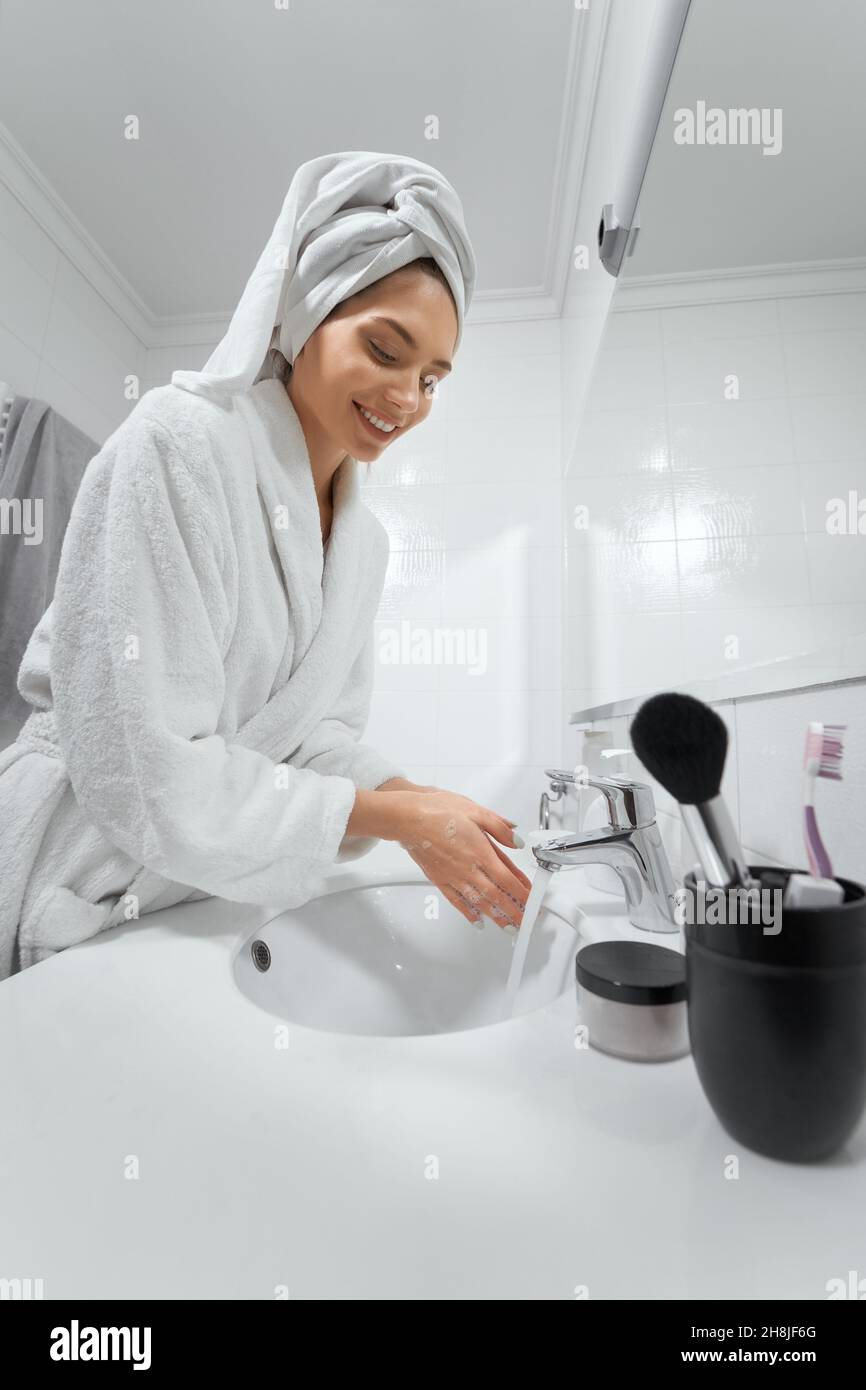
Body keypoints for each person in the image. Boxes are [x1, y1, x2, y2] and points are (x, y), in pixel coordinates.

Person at [0, 151, 530, 980]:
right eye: (386, 351)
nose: (409, 400)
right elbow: (151, 763)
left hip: (185, 892)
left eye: (432, 379)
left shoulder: (364, 545)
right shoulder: (178, 444)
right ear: (307, 311)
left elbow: (312, 738)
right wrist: (394, 821)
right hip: (70, 867)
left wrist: (412, 800)